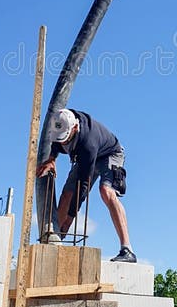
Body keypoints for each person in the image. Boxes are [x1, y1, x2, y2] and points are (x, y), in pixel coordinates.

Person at [36, 108, 137, 263]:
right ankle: (56, 245)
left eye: (66, 139)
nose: (63, 142)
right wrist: (51, 159)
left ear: (75, 128)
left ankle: (127, 249)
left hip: (109, 154)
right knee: (66, 196)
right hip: (84, 159)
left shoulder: (88, 142)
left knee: (106, 191)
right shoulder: (60, 121)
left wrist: (70, 217)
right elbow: (55, 142)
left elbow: (83, 184)